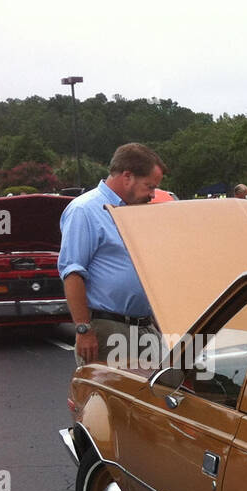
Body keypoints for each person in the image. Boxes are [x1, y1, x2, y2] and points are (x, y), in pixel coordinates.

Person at [59, 143, 166, 368]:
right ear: (127, 176)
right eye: (149, 186)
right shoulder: (85, 210)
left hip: (145, 328)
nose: (152, 194)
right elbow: (72, 273)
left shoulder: (134, 211)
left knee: (150, 399)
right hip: (108, 328)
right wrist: (83, 329)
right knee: (108, 401)